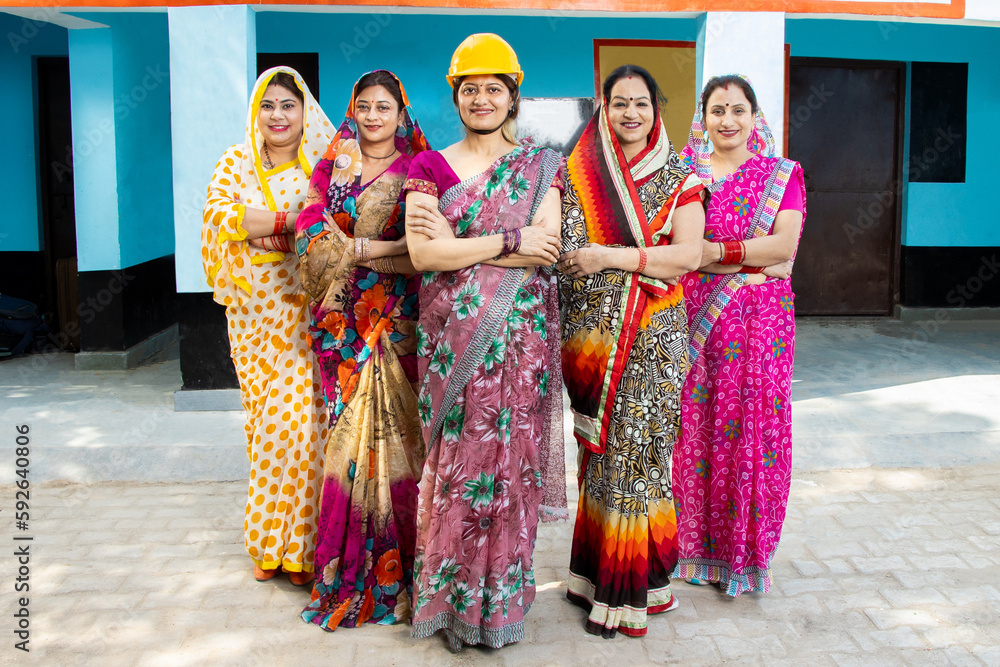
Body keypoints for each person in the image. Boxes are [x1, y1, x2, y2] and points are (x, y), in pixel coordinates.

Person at [402, 33, 567, 652]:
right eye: (469, 88)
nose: (480, 98)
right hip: (453, 343)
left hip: (521, 344)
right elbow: (424, 254)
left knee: (510, 468)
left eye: (492, 88)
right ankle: (450, 606)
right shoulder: (430, 167)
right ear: (456, 96)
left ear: (512, 96)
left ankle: (500, 606)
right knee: (459, 468)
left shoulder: (542, 166)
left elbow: (546, 244)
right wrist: (504, 242)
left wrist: (464, 246)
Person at [558, 64, 706, 639]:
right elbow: (570, 251)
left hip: (654, 336)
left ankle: (629, 593)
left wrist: (612, 257)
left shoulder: (680, 174)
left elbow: (687, 256)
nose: (630, 114)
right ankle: (595, 577)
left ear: (656, 108)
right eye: (619, 103)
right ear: (604, 107)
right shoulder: (578, 172)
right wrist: (614, 257)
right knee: (600, 458)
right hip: (594, 337)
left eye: (640, 103)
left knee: (638, 455)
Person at [295, 70, 430, 631]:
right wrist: (331, 245)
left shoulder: (418, 169)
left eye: (385, 107)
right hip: (341, 324)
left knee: (400, 440)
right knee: (346, 443)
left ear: (402, 113)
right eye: (365, 107)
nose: (374, 116)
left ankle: (403, 567)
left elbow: (426, 243)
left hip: (396, 321)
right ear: (353, 111)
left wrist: (363, 248)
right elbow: (307, 225)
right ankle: (349, 568)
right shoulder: (334, 164)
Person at [673, 74, 806, 597]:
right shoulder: (687, 176)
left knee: (755, 430)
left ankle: (747, 555)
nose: (727, 120)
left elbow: (784, 250)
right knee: (696, 431)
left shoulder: (782, 174)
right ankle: (693, 549)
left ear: (756, 118)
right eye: (717, 110)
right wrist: (749, 256)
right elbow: (681, 247)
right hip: (696, 326)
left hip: (761, 328)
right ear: (701, 119)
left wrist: (714, 254)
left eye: (738, 110)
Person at [202, 67, 335, 585]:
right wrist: (286, 222)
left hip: (306, 319)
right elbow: (222, 220)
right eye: (268, 105)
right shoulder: (235, 163)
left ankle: (300, 549)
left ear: (305, 113)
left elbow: (325, 225)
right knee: (265, 430)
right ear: (256, 113)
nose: (278, 116)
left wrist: (263, 227)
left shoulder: (320, 168)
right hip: (253, 320)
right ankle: (266, 544)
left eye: (289, 105)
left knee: (303, 426)